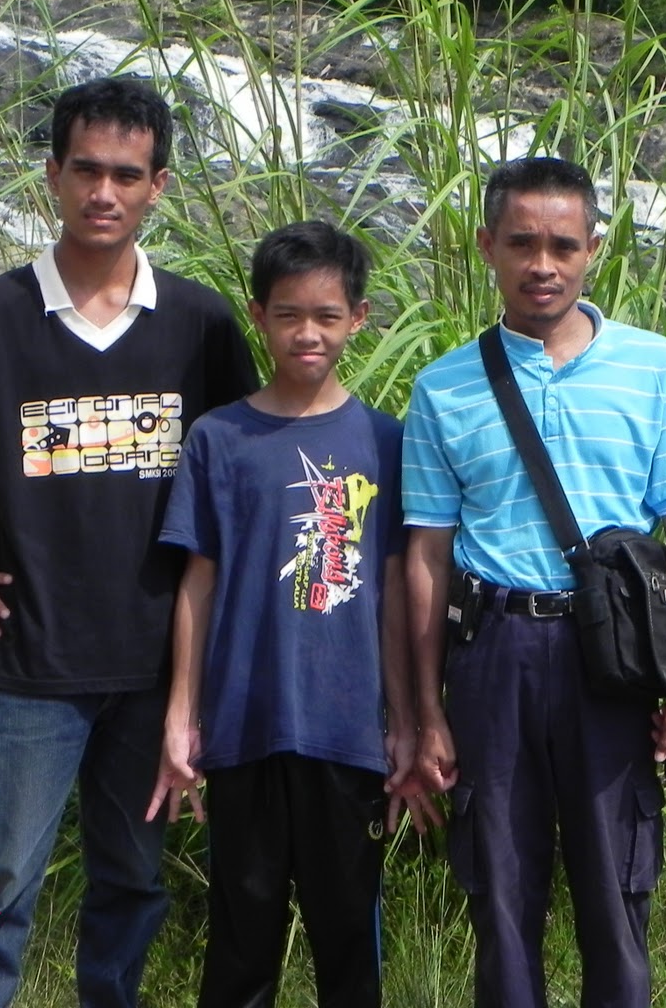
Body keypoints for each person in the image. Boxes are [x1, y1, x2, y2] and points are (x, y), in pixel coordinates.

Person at [0, 77, 258, 1008]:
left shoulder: (198, 323)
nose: (104, 194)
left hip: (156, 667)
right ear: (51, 173)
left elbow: (248, 462)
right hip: (35, 661)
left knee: (132, 883)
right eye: (85, 170)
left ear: (160, 184)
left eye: (127, 175)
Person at [402, 155, 666, 1008]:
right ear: (487, 247)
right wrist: (426, 710)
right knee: (500, 888)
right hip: (493, 654)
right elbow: (425, 557)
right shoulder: (443, 387)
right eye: (522, 244)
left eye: (563, 245)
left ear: (594, 252)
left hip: (610, 663)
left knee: (616, 888)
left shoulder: (652, 366)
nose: (542, 264)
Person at [147, 220, 440, 1008]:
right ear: (258, 315)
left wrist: (407, 721)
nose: (307, 333)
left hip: (348, 732)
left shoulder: (385, 441)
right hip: (243, 727)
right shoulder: (219, 440)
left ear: (359, 318)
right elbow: (197, 583)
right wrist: (180, 717)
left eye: (327, 316)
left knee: (349, 941)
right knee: (241, 940)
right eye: (287, 315)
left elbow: (392, 592)